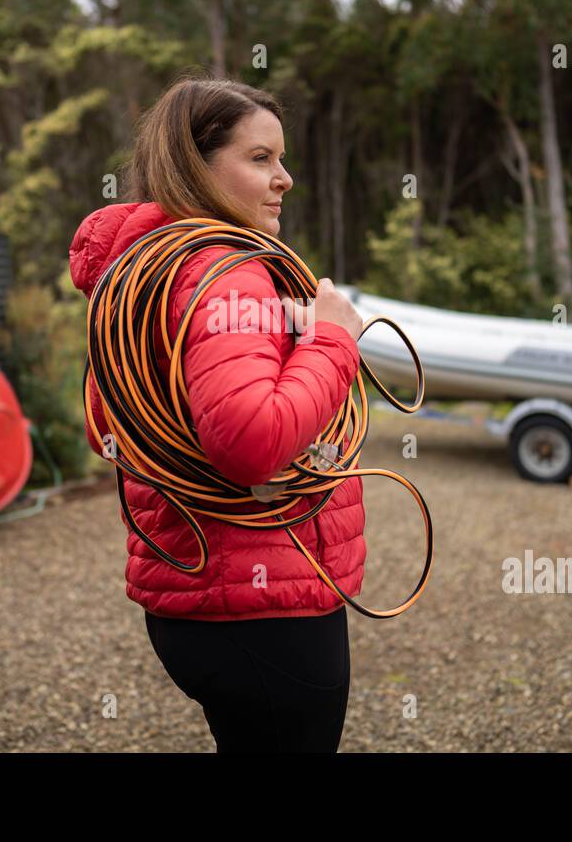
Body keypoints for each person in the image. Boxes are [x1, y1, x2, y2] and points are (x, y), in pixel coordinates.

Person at [67, 72, 367, 752]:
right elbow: (252, 443)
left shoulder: (138, 271)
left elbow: (106, 425)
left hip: (196, 603)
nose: (284, 177)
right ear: (193, 168)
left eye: (280, 158)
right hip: (265, 608)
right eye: (260, 159)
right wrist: (333, 338)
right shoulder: (225, 269)